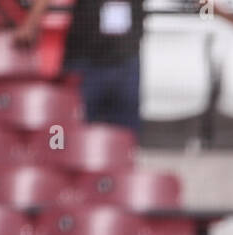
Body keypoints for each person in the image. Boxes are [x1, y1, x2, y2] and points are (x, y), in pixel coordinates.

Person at [15, 0, 145, 142]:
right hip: (84, 59)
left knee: (125, 139)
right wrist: (31, 23)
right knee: (72, 137)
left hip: (126, 60)